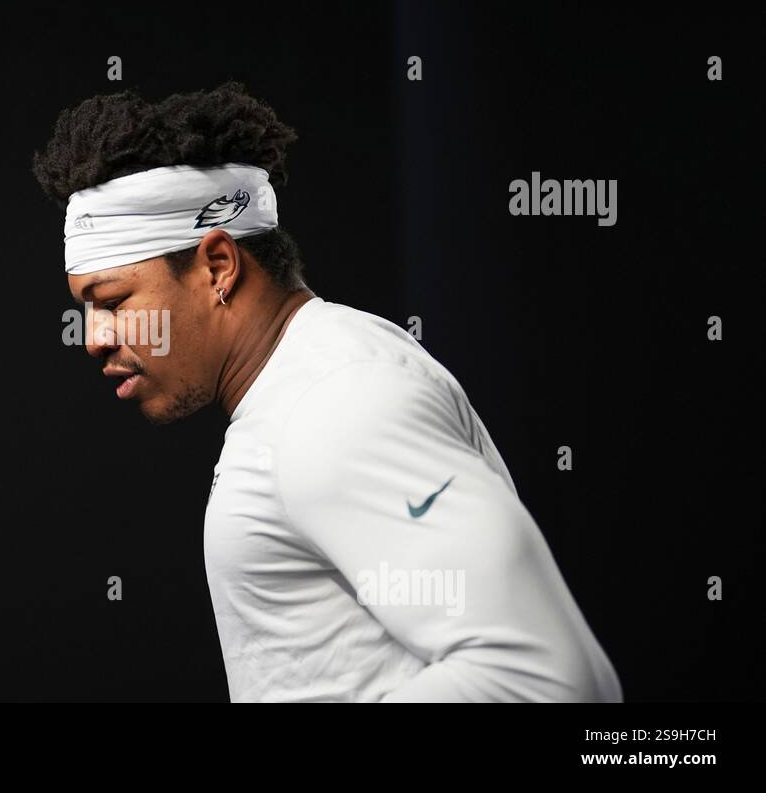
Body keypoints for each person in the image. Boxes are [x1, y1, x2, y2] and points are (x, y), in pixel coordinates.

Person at [33, 81, 623, 702]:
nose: (93, 338)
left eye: (114, 302)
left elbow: (547, 679)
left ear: (217, 267)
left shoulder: (337, 402)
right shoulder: (305, 389)